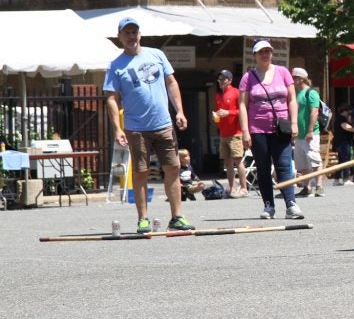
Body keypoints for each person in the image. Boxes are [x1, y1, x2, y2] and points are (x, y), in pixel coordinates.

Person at [103, 16, 195, 232]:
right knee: (141, 171)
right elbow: (111, 98)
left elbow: (171, 82)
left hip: (163, 123)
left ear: (140, 34)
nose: (131, 36)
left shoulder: (157, 55)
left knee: (172, 168)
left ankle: (177, 217)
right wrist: (117, 128)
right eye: (127, 33)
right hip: (136, 128)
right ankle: (143, 218)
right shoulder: (116, 66)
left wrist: (180, 111)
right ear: (120, 37)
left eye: (134, 32)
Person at [238, 39, 304, 220]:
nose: (265, 55)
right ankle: (268, 205)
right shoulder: (248, 77)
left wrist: (294, 123)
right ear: (255, 56)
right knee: (263, 167)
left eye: (268, 51)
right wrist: (245, 131)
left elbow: (291, 99)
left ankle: (291, 204)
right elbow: (243, 105)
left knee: (284, 166)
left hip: (281, 127)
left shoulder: (282, 72)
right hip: (257, 128)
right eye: (261, 52)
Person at [213, 69, 248, 198]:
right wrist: (216, 116)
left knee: (238, 161)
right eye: (219, 79)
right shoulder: (218, 95)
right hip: (223, 133)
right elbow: (219, 112)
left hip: (235, 133)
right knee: (227, 163)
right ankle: (232, 187)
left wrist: (229, 113)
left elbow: (244, 111)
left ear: (230, 80)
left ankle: (244, 188)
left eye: (224, 79)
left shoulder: (236, 93)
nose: (221, 81)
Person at [291, 67, 325, 197]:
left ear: (301, 78)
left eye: (294, 77)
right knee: (302, 162)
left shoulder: (311, 93)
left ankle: (319, 186)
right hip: (299, 134)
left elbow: (314, 111)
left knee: (314, 159)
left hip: (310, 133)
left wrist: (310, 130)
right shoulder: (297, 93)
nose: (292, 80)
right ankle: (307, 187)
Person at [332, 106, 354, 185]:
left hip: (340, 143)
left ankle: (336, 180)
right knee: (346, 160)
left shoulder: (339, 119)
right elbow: (345, 127)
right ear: (344, 111)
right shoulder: (341, 118)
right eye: (348, 112)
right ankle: (346, 179)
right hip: (343, 143)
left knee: (341, 161)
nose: (349, 114)